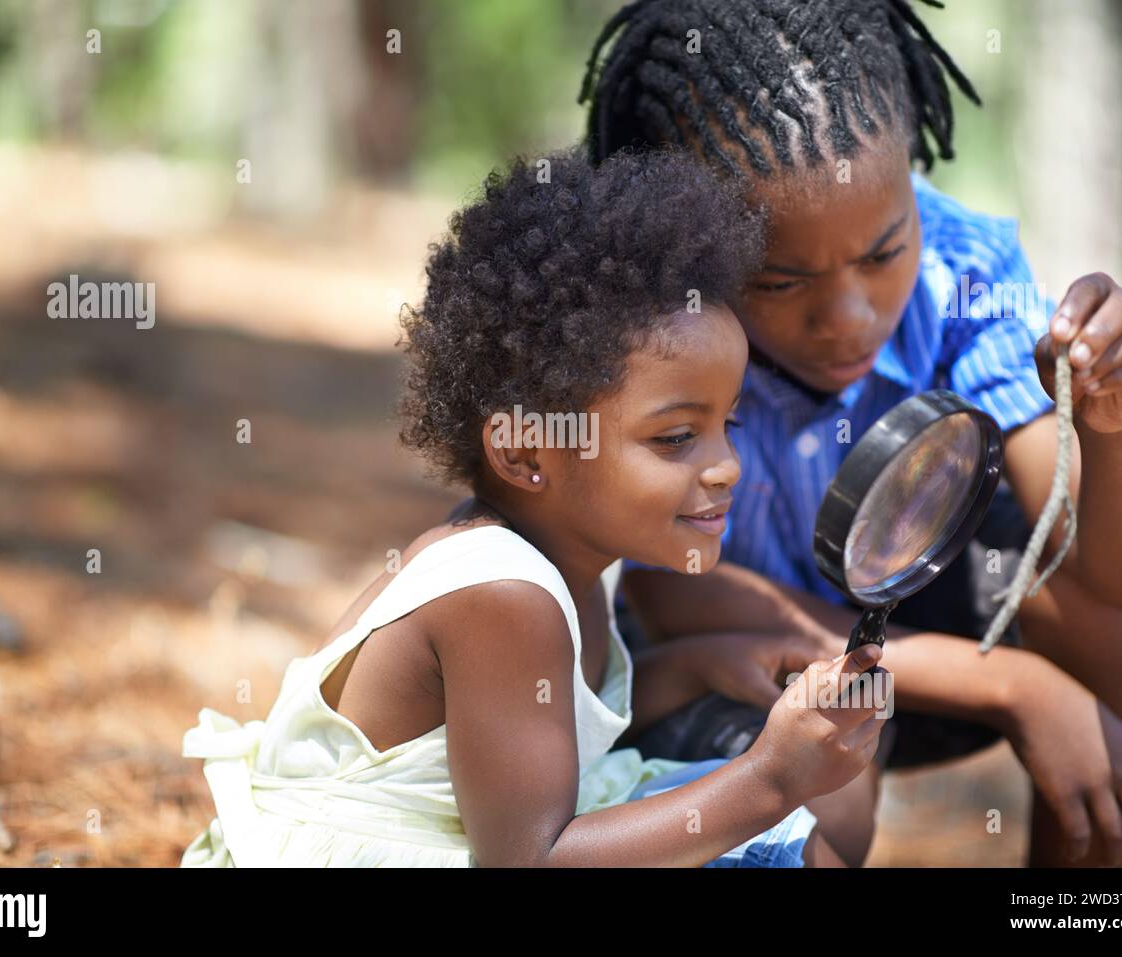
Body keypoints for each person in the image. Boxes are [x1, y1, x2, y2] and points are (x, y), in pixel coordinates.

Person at [581, 0, 1122, 867]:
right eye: (782, 281)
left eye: (883, 250)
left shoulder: (961, 266)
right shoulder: (660, 322)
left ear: (913, 186)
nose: (849, 318)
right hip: (744, 662)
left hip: (924, 619)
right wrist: (1016, 687)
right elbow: (680, 597)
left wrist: (1116, 429)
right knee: (826, 796)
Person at [179, 147, 888, 867]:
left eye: (727, 425)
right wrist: (768, 779)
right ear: (524, 453)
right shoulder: (502, 594)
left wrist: (702, 663)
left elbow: (539, 725)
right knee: (791, 837)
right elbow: (530, 858)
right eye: (676, 436)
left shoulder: (571, 546)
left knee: (826, 808)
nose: (725, 466)